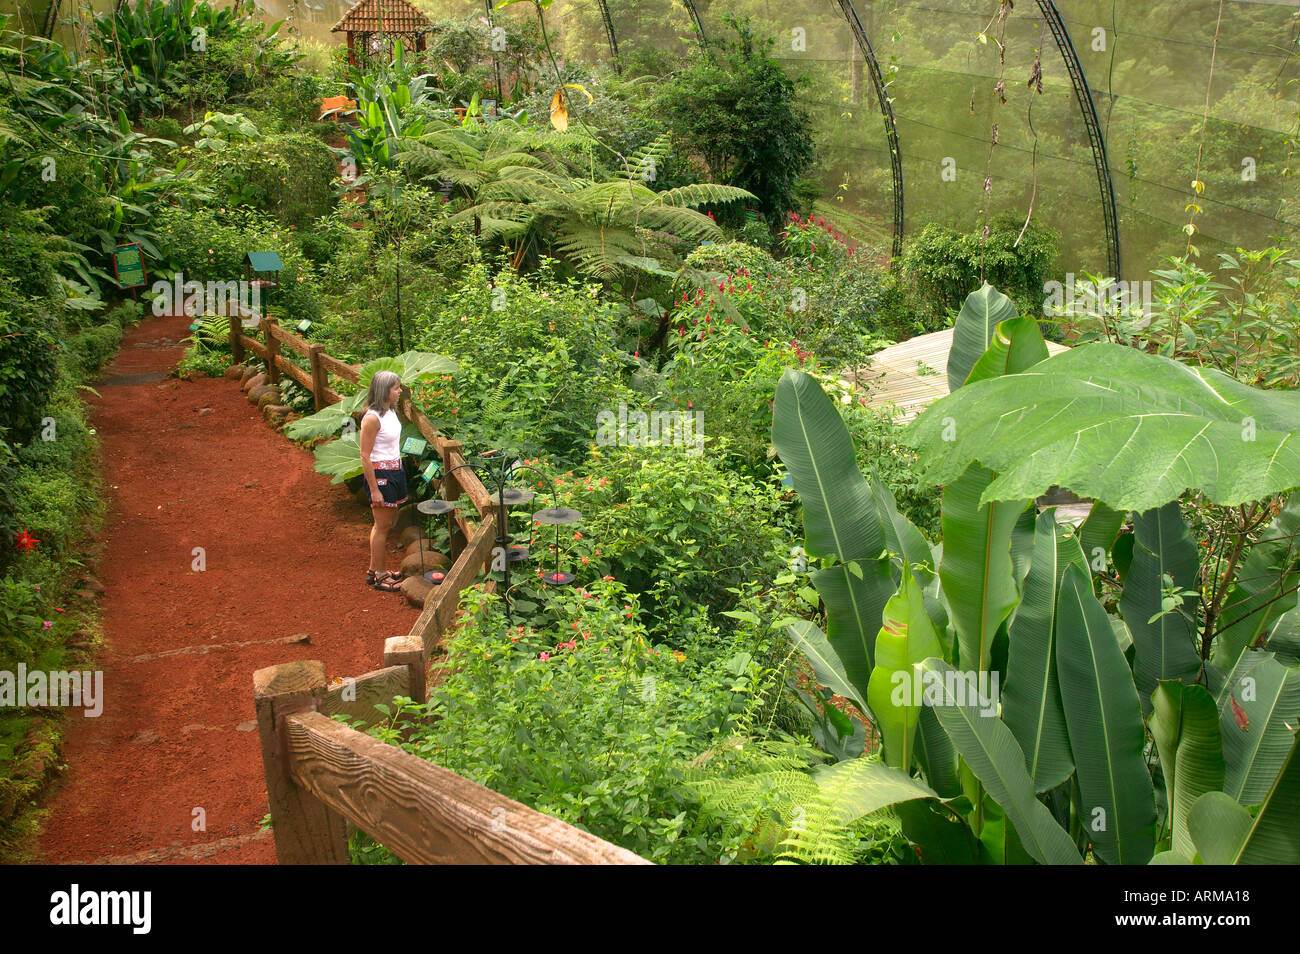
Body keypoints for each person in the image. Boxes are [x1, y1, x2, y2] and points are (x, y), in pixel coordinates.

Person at [360, 370, 407, 591]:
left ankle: (373, 569)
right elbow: (364, 456)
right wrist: (374, 489)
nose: (400, 391)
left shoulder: (390, 411)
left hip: (395, 470)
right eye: (396, 387)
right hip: (381, 475)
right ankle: (380, 576)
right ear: (384, 390)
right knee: (382, 526)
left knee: (387, 523)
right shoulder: (371, 418)